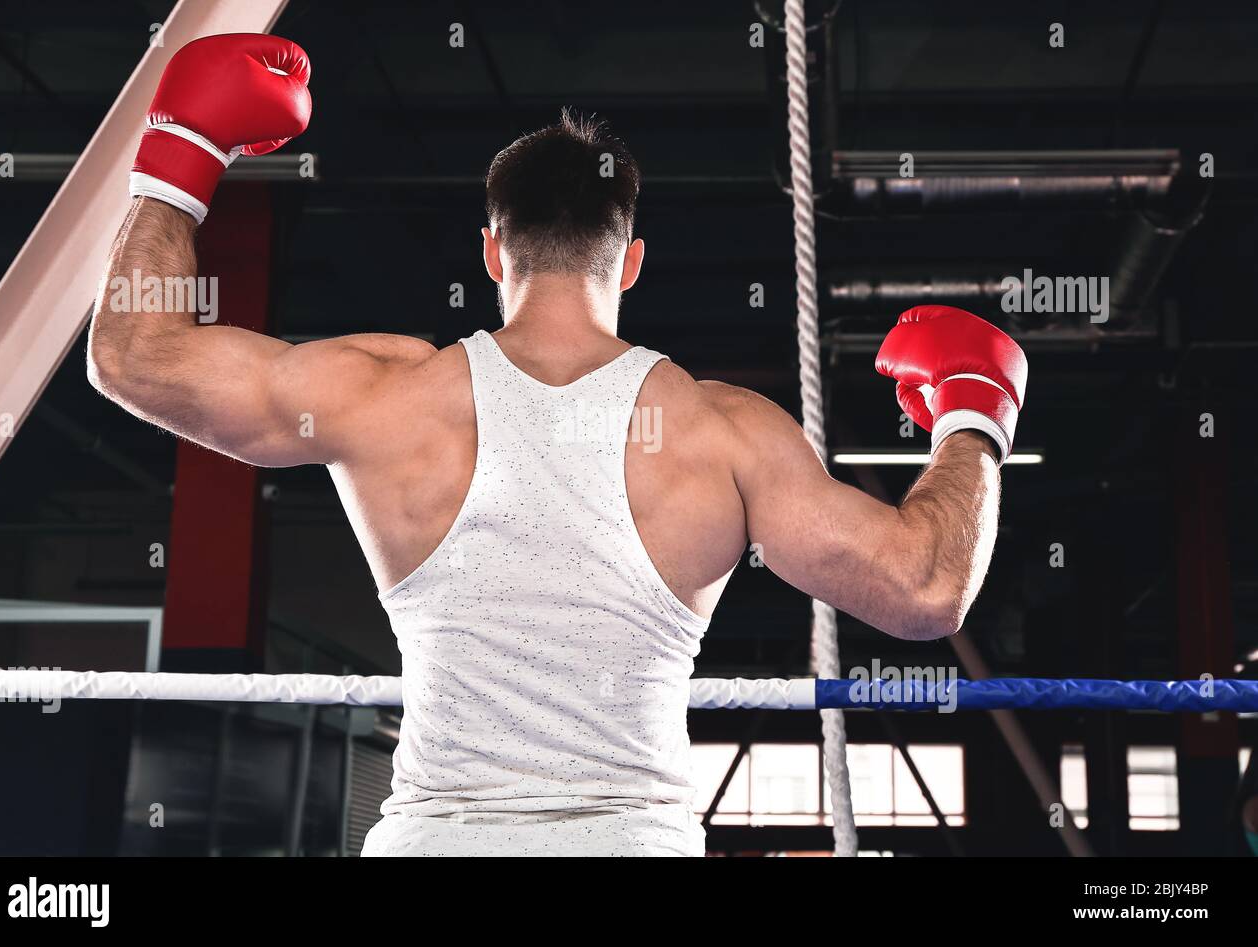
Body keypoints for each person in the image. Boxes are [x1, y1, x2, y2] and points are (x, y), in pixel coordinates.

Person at [88, 34, 1027, 856]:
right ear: (630, 260)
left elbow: (135, 355)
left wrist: (185, 148)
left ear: (493, 253)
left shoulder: (387, 394)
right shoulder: (722, 429)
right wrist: (971, 422)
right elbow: (924, 587)